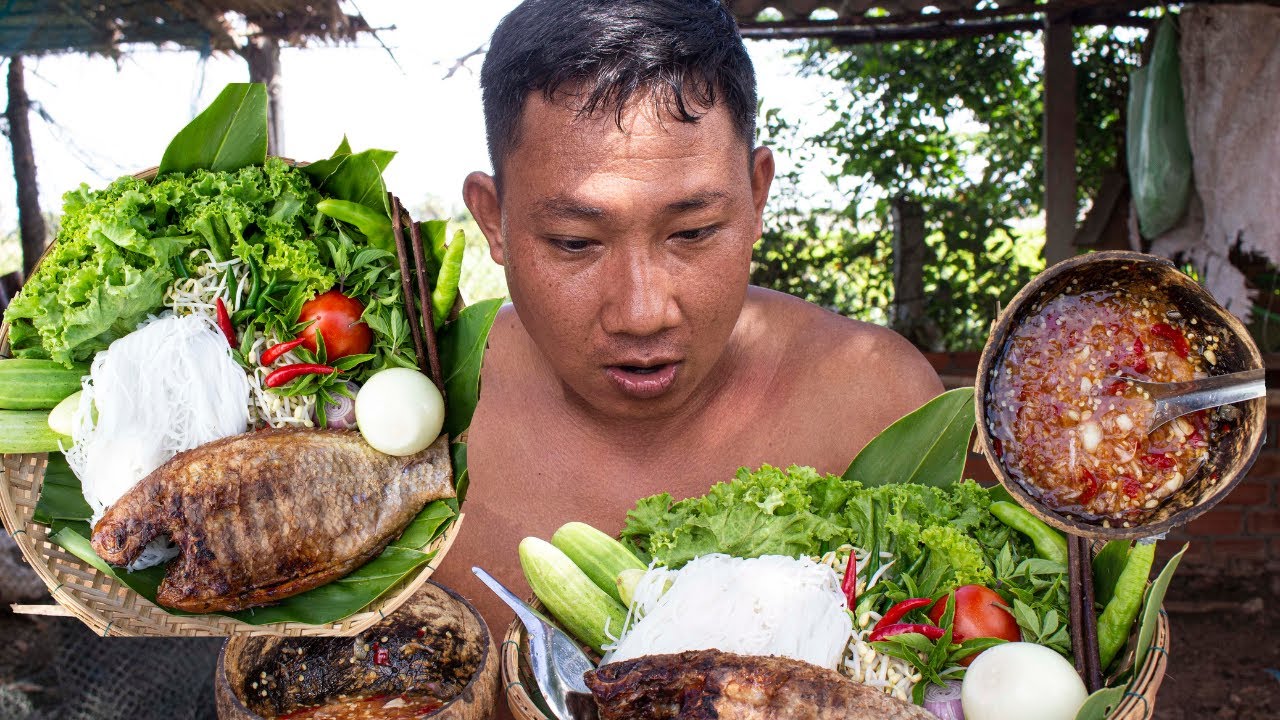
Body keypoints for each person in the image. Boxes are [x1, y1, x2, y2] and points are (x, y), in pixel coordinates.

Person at [432, 0, 942, 638]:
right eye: (573, 242)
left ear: (757, 196)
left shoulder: (876, 404)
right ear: (492, 220)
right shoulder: (420, 427)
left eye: (694, 232)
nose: (643, 313)